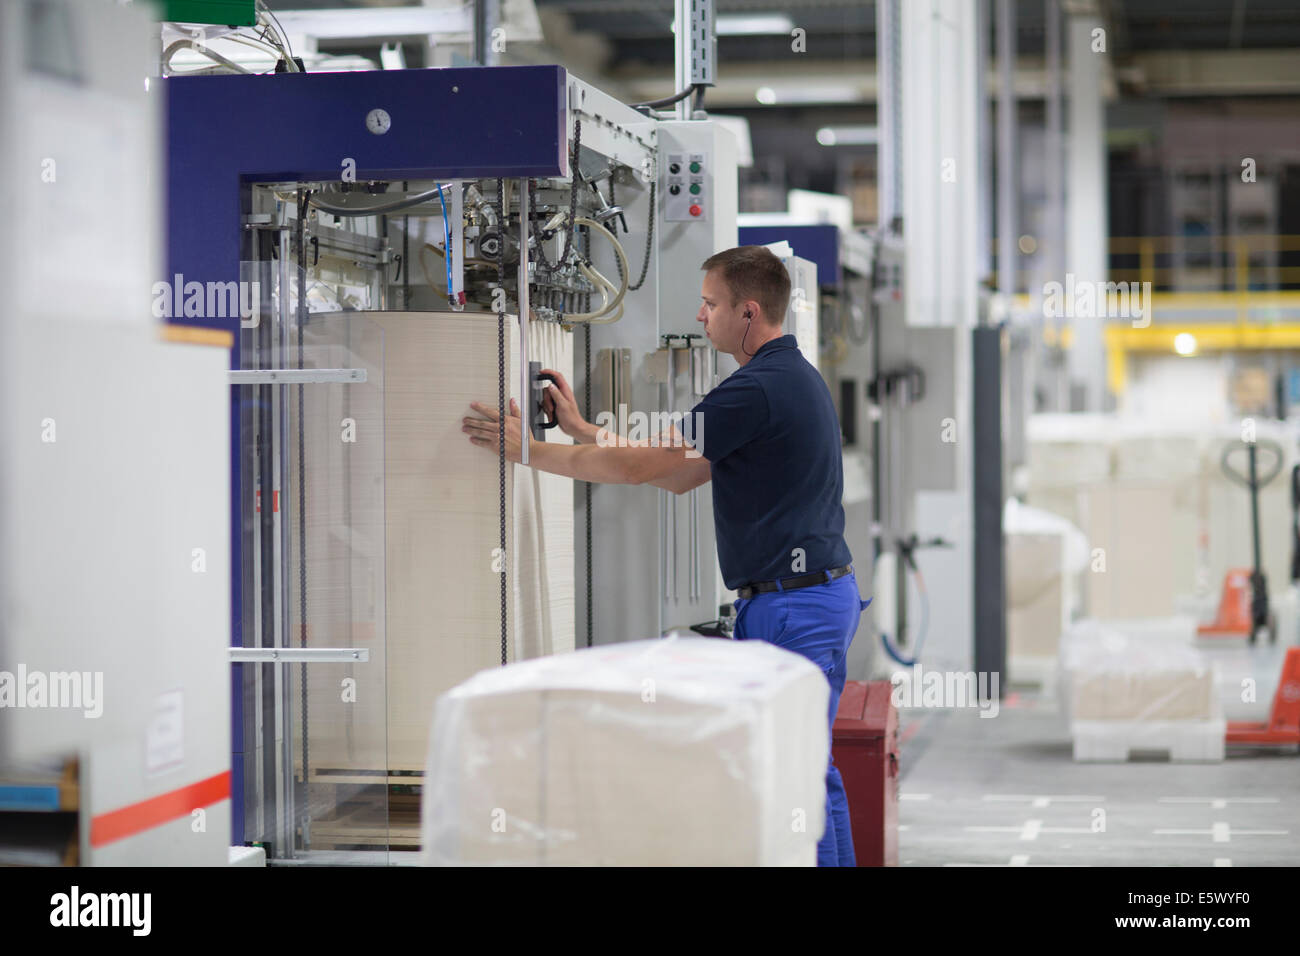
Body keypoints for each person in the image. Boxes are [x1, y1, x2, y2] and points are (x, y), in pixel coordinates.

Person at [462, 245, 867, 866]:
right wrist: (582, 430)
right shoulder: (789, 379)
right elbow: (678, 473)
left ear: (749, 313)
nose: (702, 316)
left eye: (711, 304)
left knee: (792, 773)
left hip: (794, 609)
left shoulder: (753, 391)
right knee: (809, 771)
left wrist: (526, 451)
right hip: (813, 599)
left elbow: (639, 468)